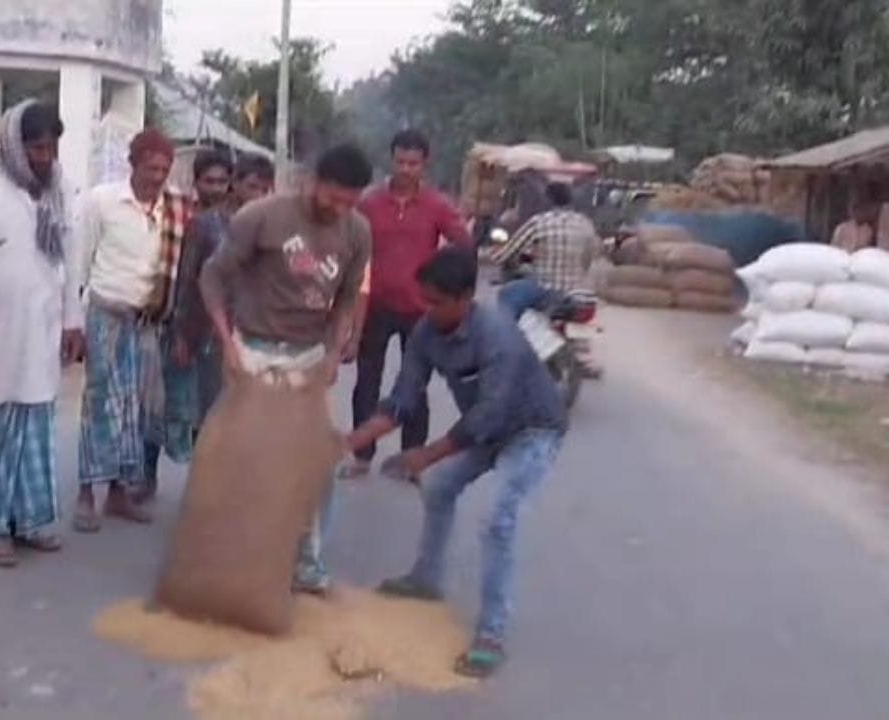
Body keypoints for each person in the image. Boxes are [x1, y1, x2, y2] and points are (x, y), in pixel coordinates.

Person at [346, 245, 566, 678]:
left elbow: (489, 415)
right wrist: (361, 436)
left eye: (436, 302)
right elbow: (405, 395)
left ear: (466, 298)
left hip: (532, 430)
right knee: (441, 488)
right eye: (424, 299)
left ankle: (491, 634)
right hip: (485, 429)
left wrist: (425, 455)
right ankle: (426, 580)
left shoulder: (497, 336)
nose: (426, 310)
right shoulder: (427, 331)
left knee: (498, 520)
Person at [200, 143, 373, 595]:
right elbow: (213, 277)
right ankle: (227, 557)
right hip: (253, 349)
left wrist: (335, 351)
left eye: (349, 202)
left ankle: (307, 561)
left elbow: (347, 298)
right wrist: (226, 343)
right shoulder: (261, 216)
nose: (339, 209)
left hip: (308, 354)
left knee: (317, 464)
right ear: (313, 182)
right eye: (333, 198)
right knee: (238, 458)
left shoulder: (358, 231)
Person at [0, 100, 84, 567]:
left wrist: (73, 320)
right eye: (35, 148)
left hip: (44, 324)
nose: (44, 157)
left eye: (50, 148)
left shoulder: (60, 187)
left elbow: (71, 254)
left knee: (37, 423)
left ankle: (31, 521)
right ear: (14, 144)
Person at [75, 129, 192, 528]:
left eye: (164, 169)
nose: (157, 176)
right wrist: (73, 324)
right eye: (150, 168)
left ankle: (121, 493)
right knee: (99, 404)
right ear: (132, 164)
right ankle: (88, 493)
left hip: (147, 322)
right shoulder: (102, 201)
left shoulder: (175, 208)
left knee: (136, 410)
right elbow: (80, 262)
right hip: (106, 314)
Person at [341, 129, 471, 482]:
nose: (406, 170)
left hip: (421, 311)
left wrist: (449, 286)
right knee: (367, 382)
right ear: (391, 160)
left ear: (424, 164)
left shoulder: (437, 205)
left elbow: (463, 244)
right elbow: (349, 247)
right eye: (400, 162)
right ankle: (362, 456)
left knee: (414, 387)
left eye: (413, 163)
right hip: (376, 305)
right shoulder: (369, 203)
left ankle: (412, 458)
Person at [172, 150, 236, 427]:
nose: (215, 188)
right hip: (197, 329)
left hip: (233, 332)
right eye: (208, 181)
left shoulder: (236, 221)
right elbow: (186, 280)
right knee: (195, 411)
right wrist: (181, 336)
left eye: (221, 182)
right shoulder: (190, 219)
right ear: (196, 182)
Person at [496, 181, 598, 319]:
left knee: (507, 296)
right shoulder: (585, 223)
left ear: (548, 200)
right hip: (579, 294)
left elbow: (506, 255)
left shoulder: (539, 222)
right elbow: (587, 260)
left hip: (546, 292)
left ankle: (508, 332)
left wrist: (494, 255)